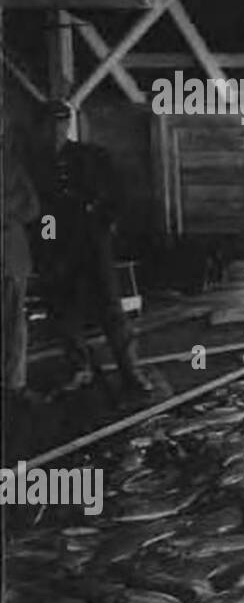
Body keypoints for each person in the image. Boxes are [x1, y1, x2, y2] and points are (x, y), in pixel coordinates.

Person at [33, 101, 152, 396]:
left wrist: (104, 223)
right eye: (50, 124)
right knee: (64, 309)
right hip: (59, 245)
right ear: (42, 127)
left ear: (68, 124)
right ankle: (79, 368)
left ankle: (131, 371)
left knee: (111, 308)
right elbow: (40, 211)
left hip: (92, 242)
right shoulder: (36, 163)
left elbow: (117, 194)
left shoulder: (91, 156)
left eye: (62, 122)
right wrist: (47, 244)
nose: (56, 130)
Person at [2, 126, 41, 400]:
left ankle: (14, 383)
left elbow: (32, 207)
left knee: (14, 321)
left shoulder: (11, 167)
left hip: (10, 256)